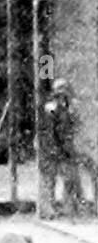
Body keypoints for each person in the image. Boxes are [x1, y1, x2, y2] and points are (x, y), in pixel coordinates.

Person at [40, 80, 89, 218]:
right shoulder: (51, 108)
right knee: (50, 180)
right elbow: (51, 131)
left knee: (70, 178)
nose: (64, 95)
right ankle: (49, 208)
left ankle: (70, 205)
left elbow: (74, 126)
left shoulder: (68, 108)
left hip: (63, 148)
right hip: (52, 149)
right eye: (61, 93)